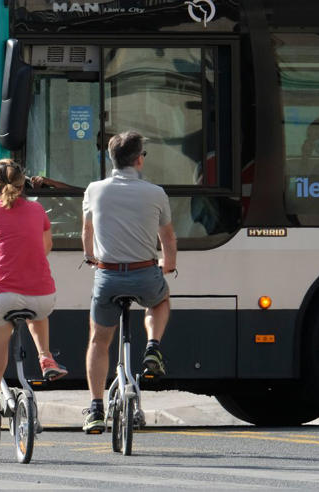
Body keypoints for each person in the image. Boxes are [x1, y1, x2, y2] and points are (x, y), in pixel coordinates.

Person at [0, 159, 68, 447]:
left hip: (3, 297)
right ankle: (45, 357)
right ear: (23, 185)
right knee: (37, 308)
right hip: (43, 296)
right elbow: (46, 247)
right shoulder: (38, 210)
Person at [81, 130, 177, 434]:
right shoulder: (155, 193)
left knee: (99, 340)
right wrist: (169, 265)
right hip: (144, 274)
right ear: (139, 160)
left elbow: (87, 233)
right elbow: (168, 237)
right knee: (160, 300)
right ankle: (152, 346)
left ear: (113, 159)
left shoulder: (94, 190)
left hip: (108, 276)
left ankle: (95, 408)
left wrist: (91, 258)